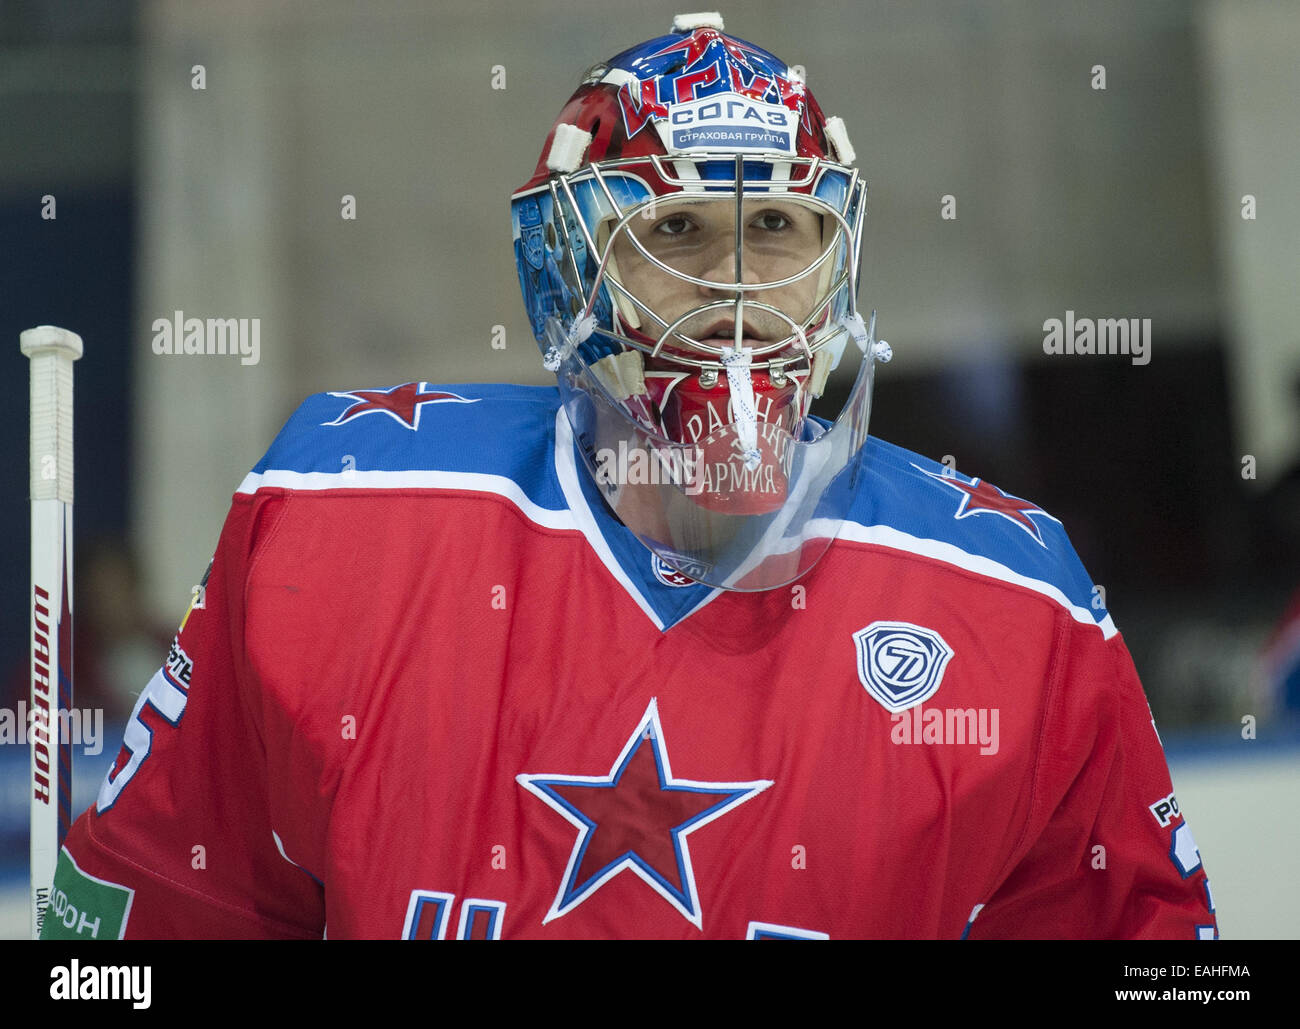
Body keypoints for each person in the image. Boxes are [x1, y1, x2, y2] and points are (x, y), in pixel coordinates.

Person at [43, 13, 1216, 940]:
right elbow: (152, 930)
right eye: (679, 235)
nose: (739, 297)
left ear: (838, 260)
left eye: (779, 235)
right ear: (574, 273)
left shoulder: (1016, 604)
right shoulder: (344, 518)